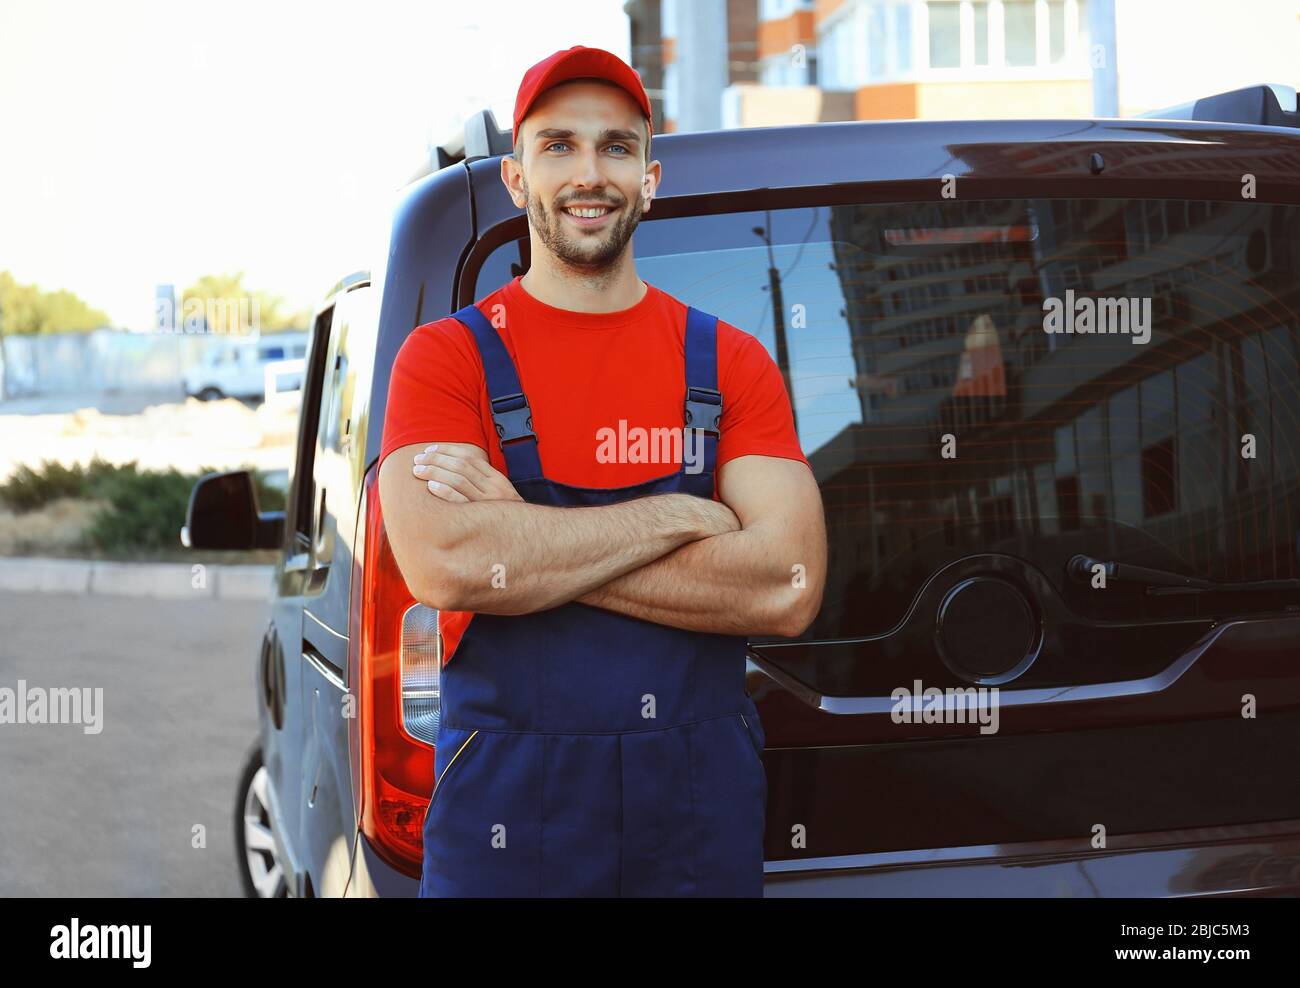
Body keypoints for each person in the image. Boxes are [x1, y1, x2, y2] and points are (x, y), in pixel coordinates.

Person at [377, 45, 827, 897]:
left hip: (694, 816)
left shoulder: (730, 361)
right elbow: (446, 562)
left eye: (616, 147)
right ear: (516, 178)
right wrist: (680, 517)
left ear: (650, 177)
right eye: (560, 146)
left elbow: (789, 583)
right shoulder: (445, 360)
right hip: (504, 818)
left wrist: (525, 541)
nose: (591, 173)